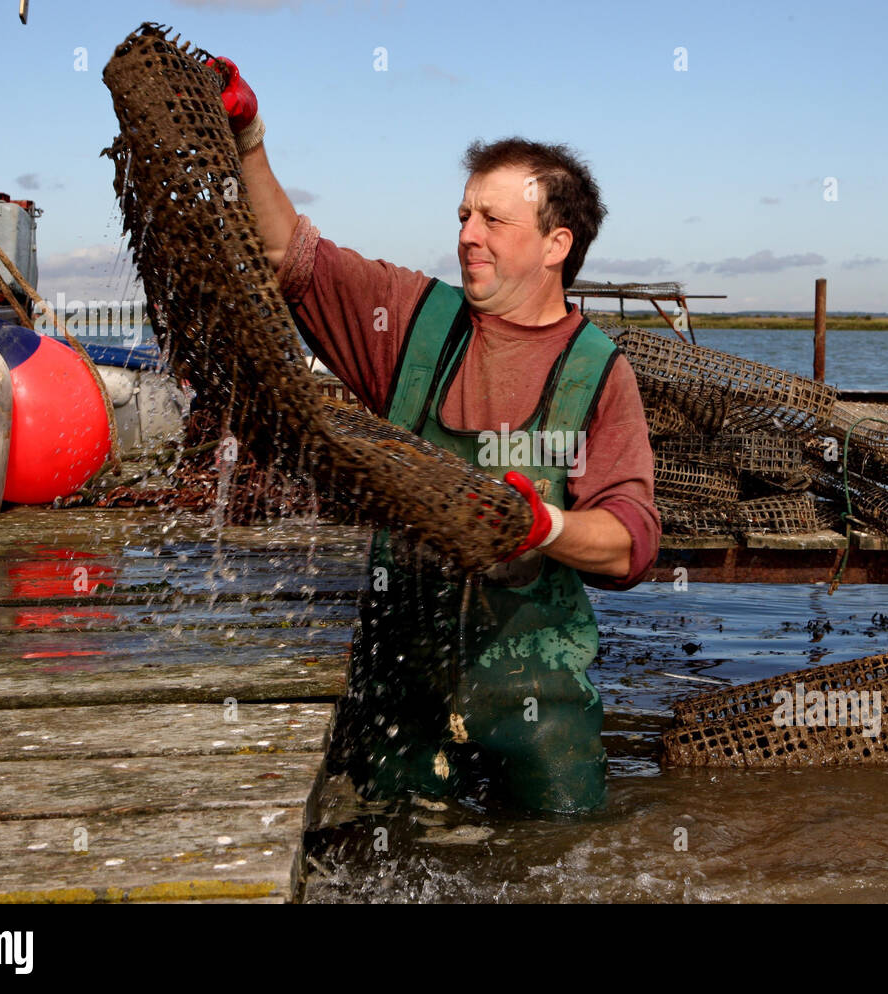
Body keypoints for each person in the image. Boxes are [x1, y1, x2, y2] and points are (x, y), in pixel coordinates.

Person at [212, 58, 660, 814]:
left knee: (561, 863)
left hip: (534, 708)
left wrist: (542, 525)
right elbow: (290, 257)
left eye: (492, 220)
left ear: (556, 244)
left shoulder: (598, 373)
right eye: (463, 217)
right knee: (386, 853)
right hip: (403, 704)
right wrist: (250, 139)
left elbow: (631, 543)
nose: (467, 236)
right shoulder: (408, 320)